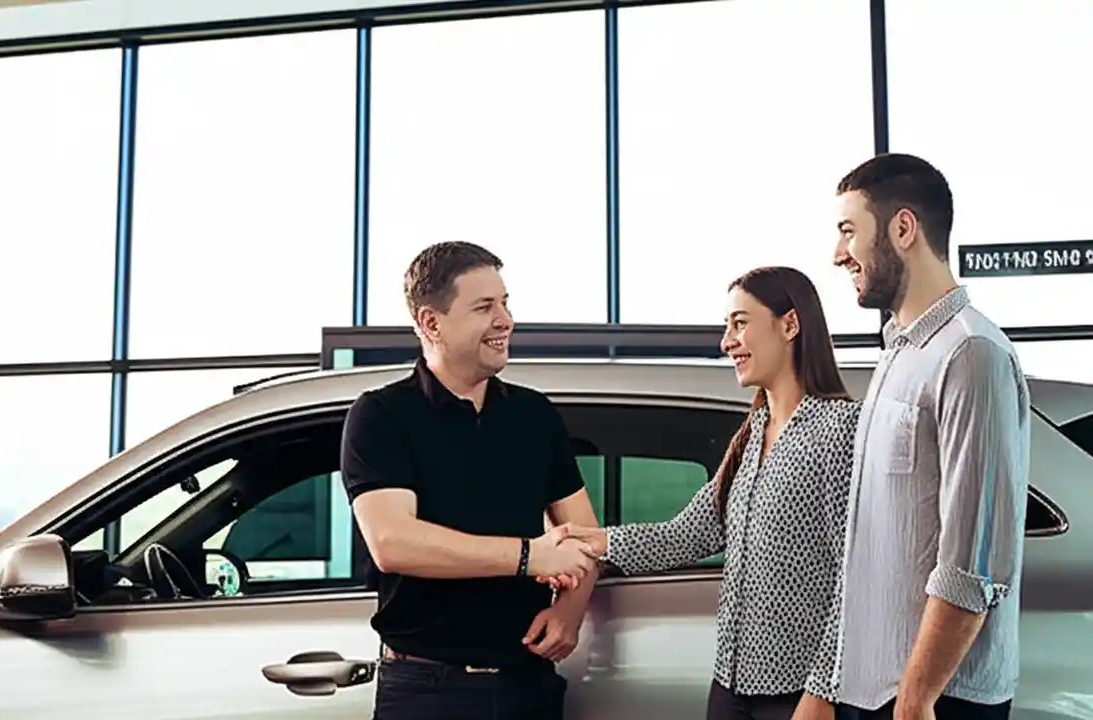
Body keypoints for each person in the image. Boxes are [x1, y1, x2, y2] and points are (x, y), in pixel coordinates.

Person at [545, 266, 860, 720]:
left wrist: (822, 692)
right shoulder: (752, 434)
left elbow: (859, 576)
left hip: (798, 695)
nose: (727, 342)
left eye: (739, 323)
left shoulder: (840, 429)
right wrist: (596, 540)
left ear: (790, 324)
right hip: (731, 686)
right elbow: (688, 535)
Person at [340, 241, 603, 720]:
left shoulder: (534, 414)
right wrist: (530, 556)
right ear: (431, 322)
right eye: (484, 307)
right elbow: (394, 543)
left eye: (505, 303)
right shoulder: (381, 415)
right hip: (427, 691)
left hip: (528, 685)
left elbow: (585, 536)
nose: (506, 321)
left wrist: (570, 609)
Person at [829, 153, 1030, 720]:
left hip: (937, 700)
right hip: (876, 692)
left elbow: (973, 563)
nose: (838, 253)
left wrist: (915, 700)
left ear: (903, 229)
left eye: (848, 231)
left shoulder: (971, 353)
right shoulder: (900, 353)